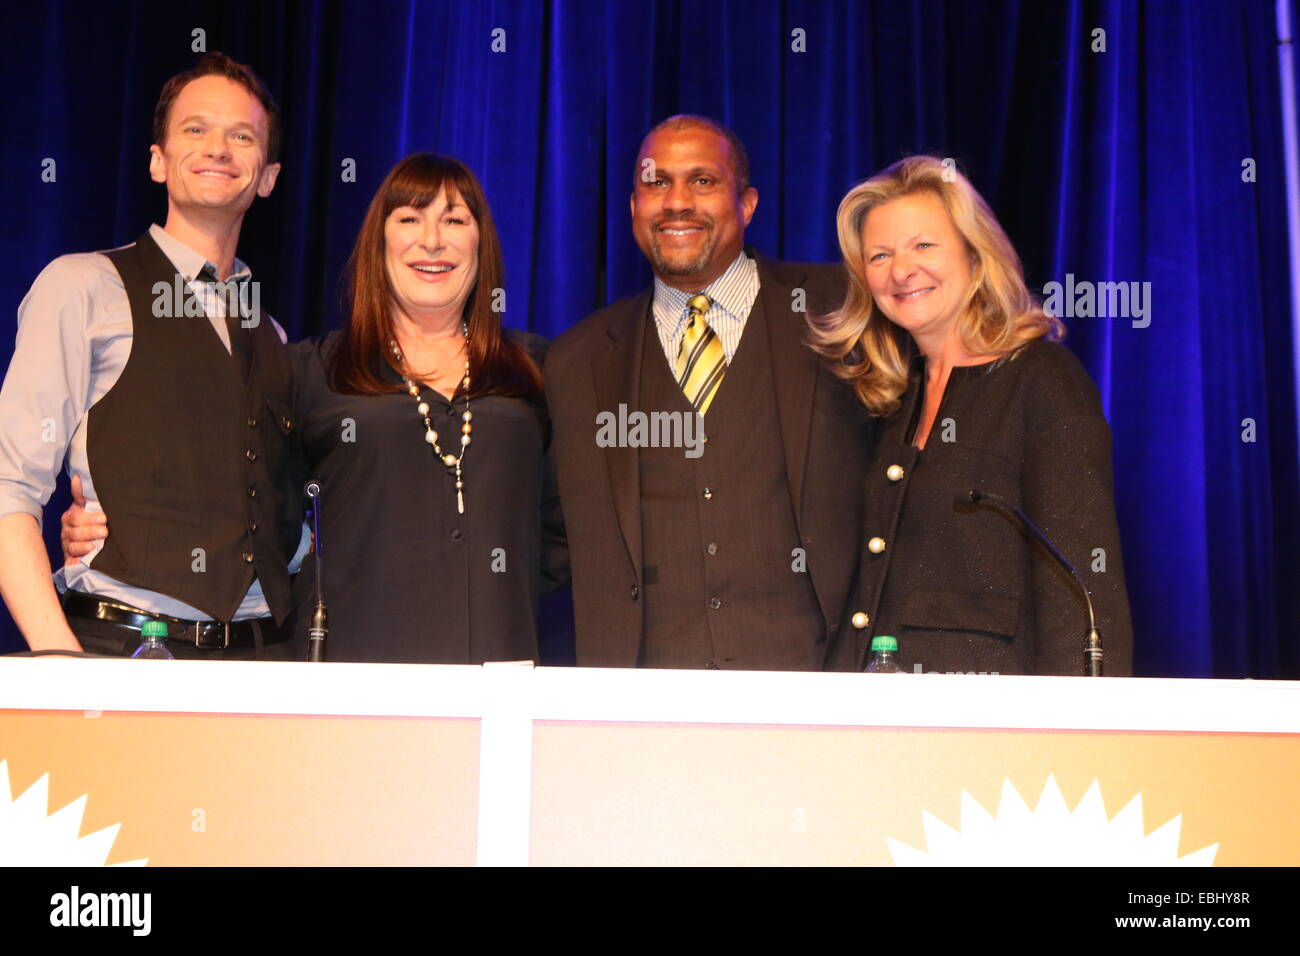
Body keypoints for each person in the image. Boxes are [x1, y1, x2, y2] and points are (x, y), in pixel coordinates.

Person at [0, 52, 305, 660]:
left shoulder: (272, 335)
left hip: (260, 665)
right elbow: (8, 488)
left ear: (267, 175)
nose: (218, 148)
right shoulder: (83, 286)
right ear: (158, 160)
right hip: (123, 650)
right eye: (196, 129)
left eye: (241, 136)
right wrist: (61, 662)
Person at [544, 115, 872, 670]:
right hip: (643, 715)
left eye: (702, 181)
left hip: (819, 697)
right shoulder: (575, 361)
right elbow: (549, 537)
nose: (676, 202)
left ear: (746, 205)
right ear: (632, 208)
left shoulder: (840, 309)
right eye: (655, 182)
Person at [810, 155, 1133, 676]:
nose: (901, 269)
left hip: (992, 724)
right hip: (880, 721)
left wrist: (1082, 737)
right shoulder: (889, 398)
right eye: (879, 255)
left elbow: (1083, 591)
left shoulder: (1041, 379)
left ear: (974, 254)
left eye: (923, 245)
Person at [284, 153, 561, 663]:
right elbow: (259, 508)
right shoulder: (313, 370)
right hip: (355, 678)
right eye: (410, 218)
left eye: (454, 220)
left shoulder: (538, 369)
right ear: (379, 240)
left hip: (500, 674)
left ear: (481, 242)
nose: (432, 240)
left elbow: (570, 525)